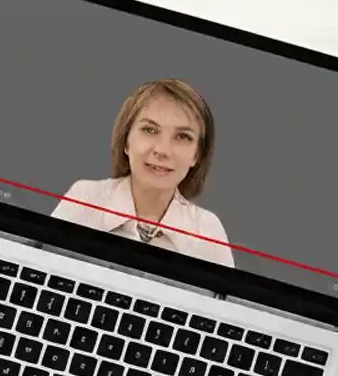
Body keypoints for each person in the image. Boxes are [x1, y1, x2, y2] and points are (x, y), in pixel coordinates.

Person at [51, 78, 234, 268]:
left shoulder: (208, 231)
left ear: (196, 155)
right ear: (126, 141)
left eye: (182, 136)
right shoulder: (85, 198)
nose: (163, 150)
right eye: (150, 129)